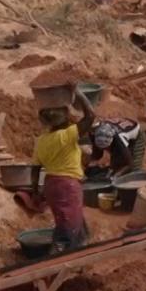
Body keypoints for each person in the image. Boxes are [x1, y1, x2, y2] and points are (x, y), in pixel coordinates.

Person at [32, 106, 89, 253]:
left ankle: (80, 253)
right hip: (67, 186)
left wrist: (35, 191)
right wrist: (80, 95)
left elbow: (35, 169)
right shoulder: (67, 135)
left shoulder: (42, 140)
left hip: (51, 185)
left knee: (73, 223)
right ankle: (56, 260)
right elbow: (90, 116)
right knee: (67, 230)